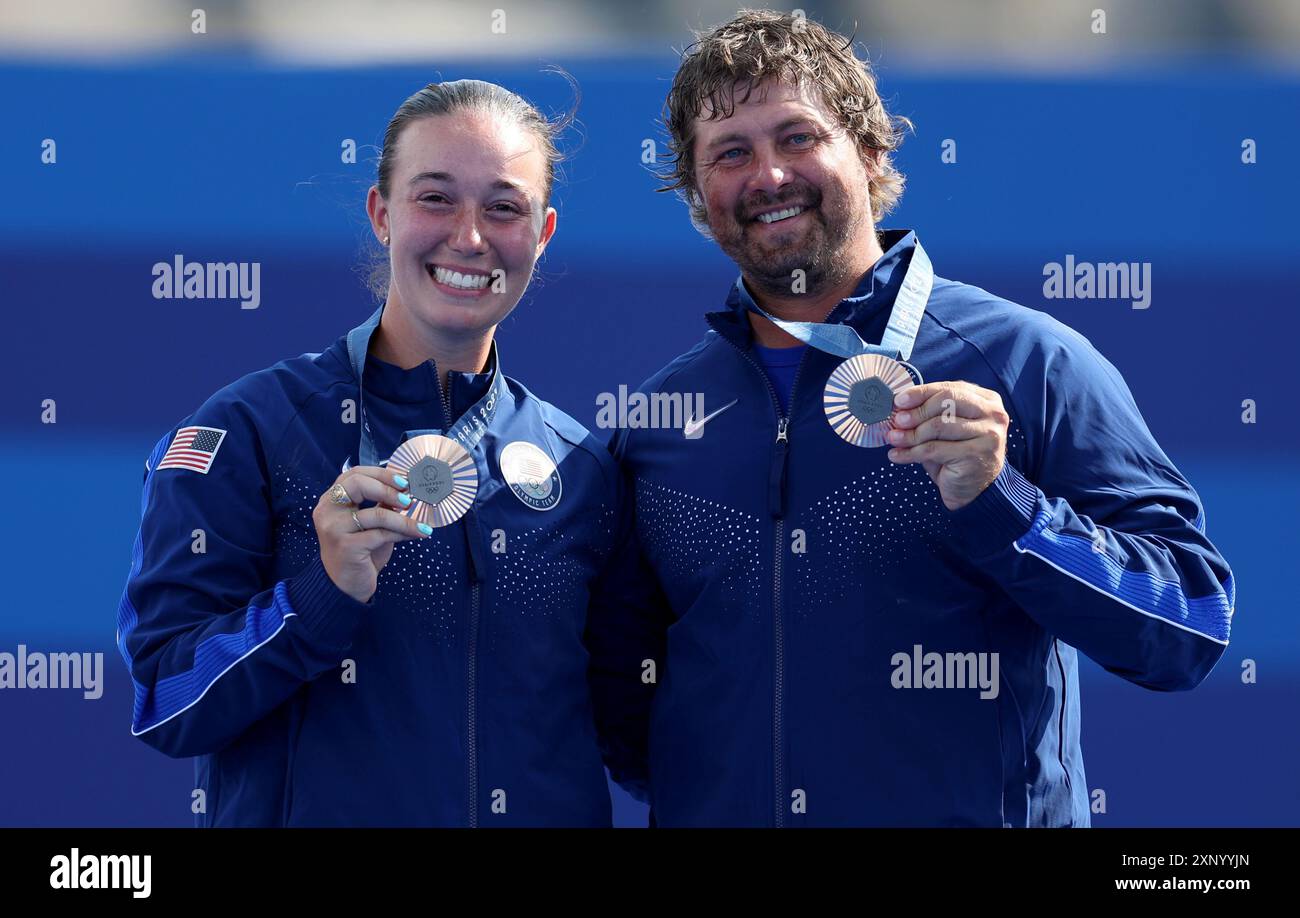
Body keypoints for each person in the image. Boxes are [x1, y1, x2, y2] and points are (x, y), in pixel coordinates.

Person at [589, 10, 1236, 827]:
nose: (769, 176)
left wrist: (1004, 501)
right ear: (696, 193)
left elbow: (1190, 625)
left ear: (867, 150)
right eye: (731, 153)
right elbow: (627, 701)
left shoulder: (1031, 363)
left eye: (797, 138)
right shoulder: (658, 425)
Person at [117, 79, 626, 827]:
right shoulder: (249, 431)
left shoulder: (582, 467)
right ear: (381, 214)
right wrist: (319, 595)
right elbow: (164, 701)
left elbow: (645, 728)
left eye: (504, 207)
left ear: (543, 233)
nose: (470, 236)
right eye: (435, 198)